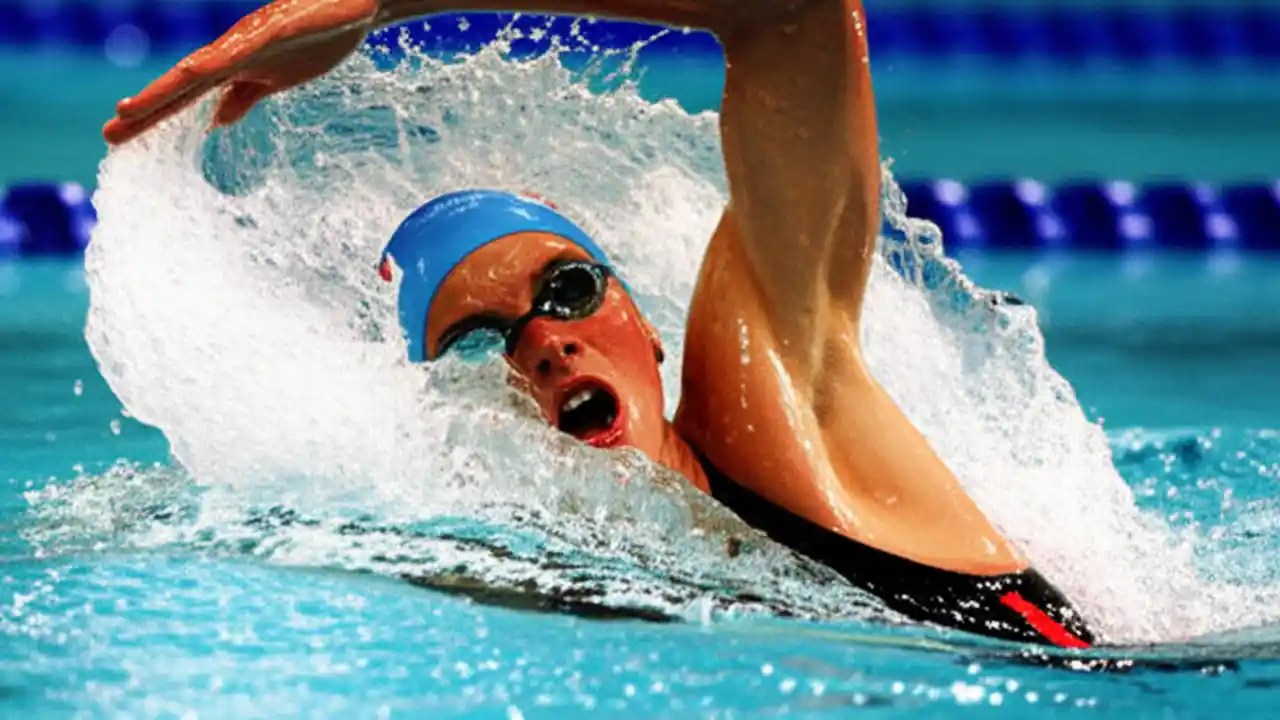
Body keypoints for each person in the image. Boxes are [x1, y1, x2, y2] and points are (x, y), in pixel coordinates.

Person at [104, 0, 1095, 648]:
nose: (542, 342)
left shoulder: (787, 431)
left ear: (647, 330)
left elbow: (790, 16)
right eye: (480, 344)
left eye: (568, 289)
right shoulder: (494, 582)